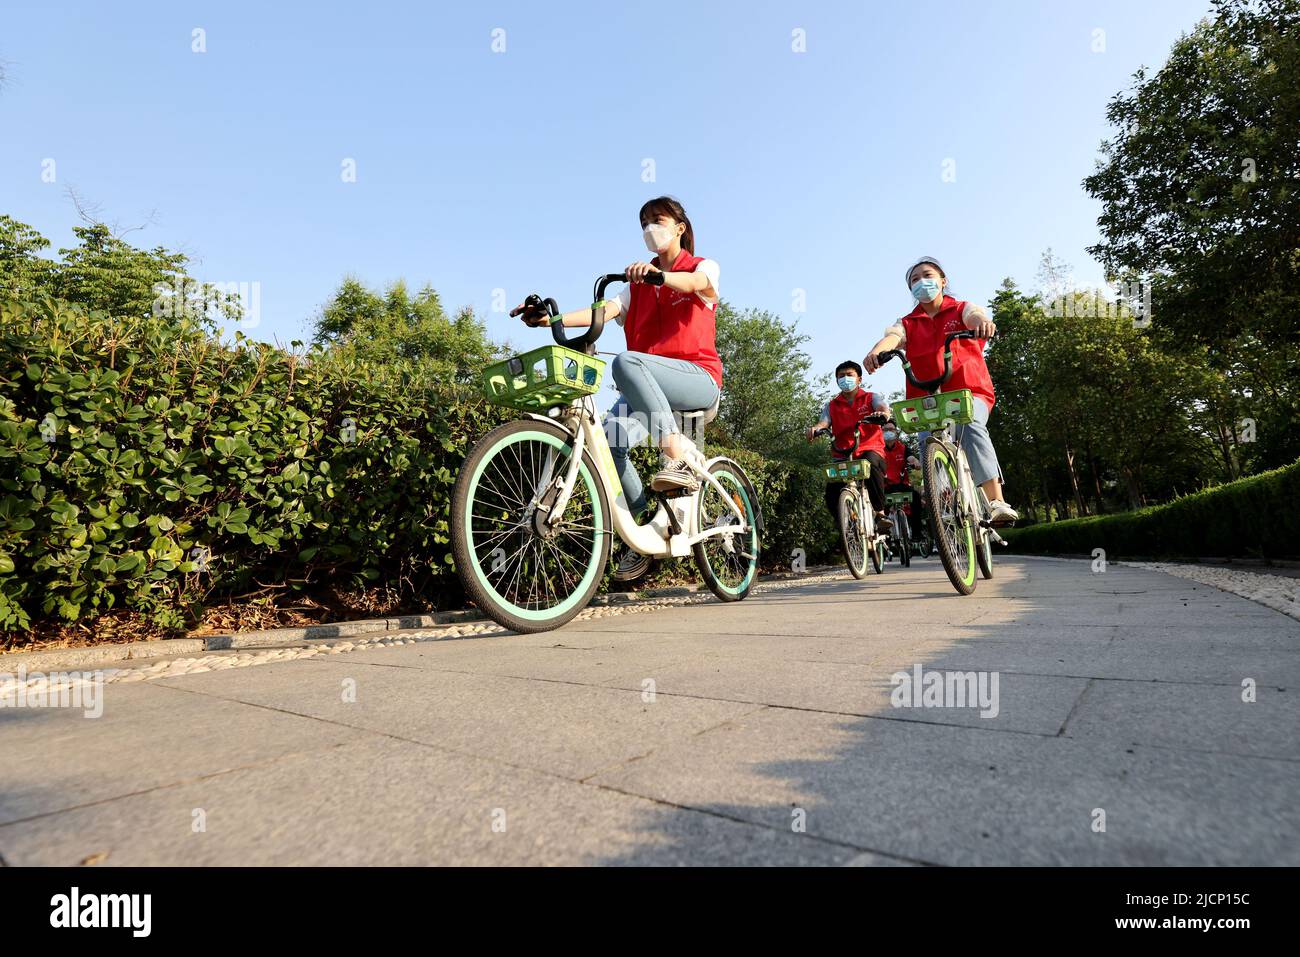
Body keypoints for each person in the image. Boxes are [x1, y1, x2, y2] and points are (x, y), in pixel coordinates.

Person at [512, 196, 722, 579]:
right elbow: (601, 312)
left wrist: (661, 277)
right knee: (608, 445)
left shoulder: (701, 266)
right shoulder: (634, 287)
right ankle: (643, 527)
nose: (649, 228)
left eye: (657, 220)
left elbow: (696, 284)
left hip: (697, 380)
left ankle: (674, 455)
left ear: (679, 227)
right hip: (649, 391)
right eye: (643, 223)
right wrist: (550, 320)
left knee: (626, 361)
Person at [863, 256, 1019, 526]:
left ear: (942, 281)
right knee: (927, 444)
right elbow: (893, 336)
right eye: (914, 279)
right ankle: (946, 499)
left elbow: (975, 316)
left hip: (970, 392)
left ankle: (996, 501)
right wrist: (877, 351)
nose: (921, 282)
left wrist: (982, 322)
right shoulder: (908, 322)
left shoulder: (960, 309)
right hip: (928, 400)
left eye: (927, 275)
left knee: (969, 424)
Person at [806, 360, 889, 525]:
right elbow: (824, 422)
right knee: (831, 493)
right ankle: (847, 530)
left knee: (870, 464)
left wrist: (882, 413)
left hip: (870, 448)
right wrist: (815, 429)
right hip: (843, 453)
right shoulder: (832, 405)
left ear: (859, 379)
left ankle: (880, 513)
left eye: (849, 375)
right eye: (841, 376)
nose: (845, 379)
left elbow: (882, 406)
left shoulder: (870, 397)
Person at [882, 419, 923, 537]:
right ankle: (884, 537)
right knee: (878, 504)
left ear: (896, 432)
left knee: (916, 497)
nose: (888, 432)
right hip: (885, 487)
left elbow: (911, 458)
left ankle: (917, 533)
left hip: (902, 485)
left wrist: (915, 462)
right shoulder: (878, 450)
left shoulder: (903, 448)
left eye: (891, 429)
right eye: (885, 430)